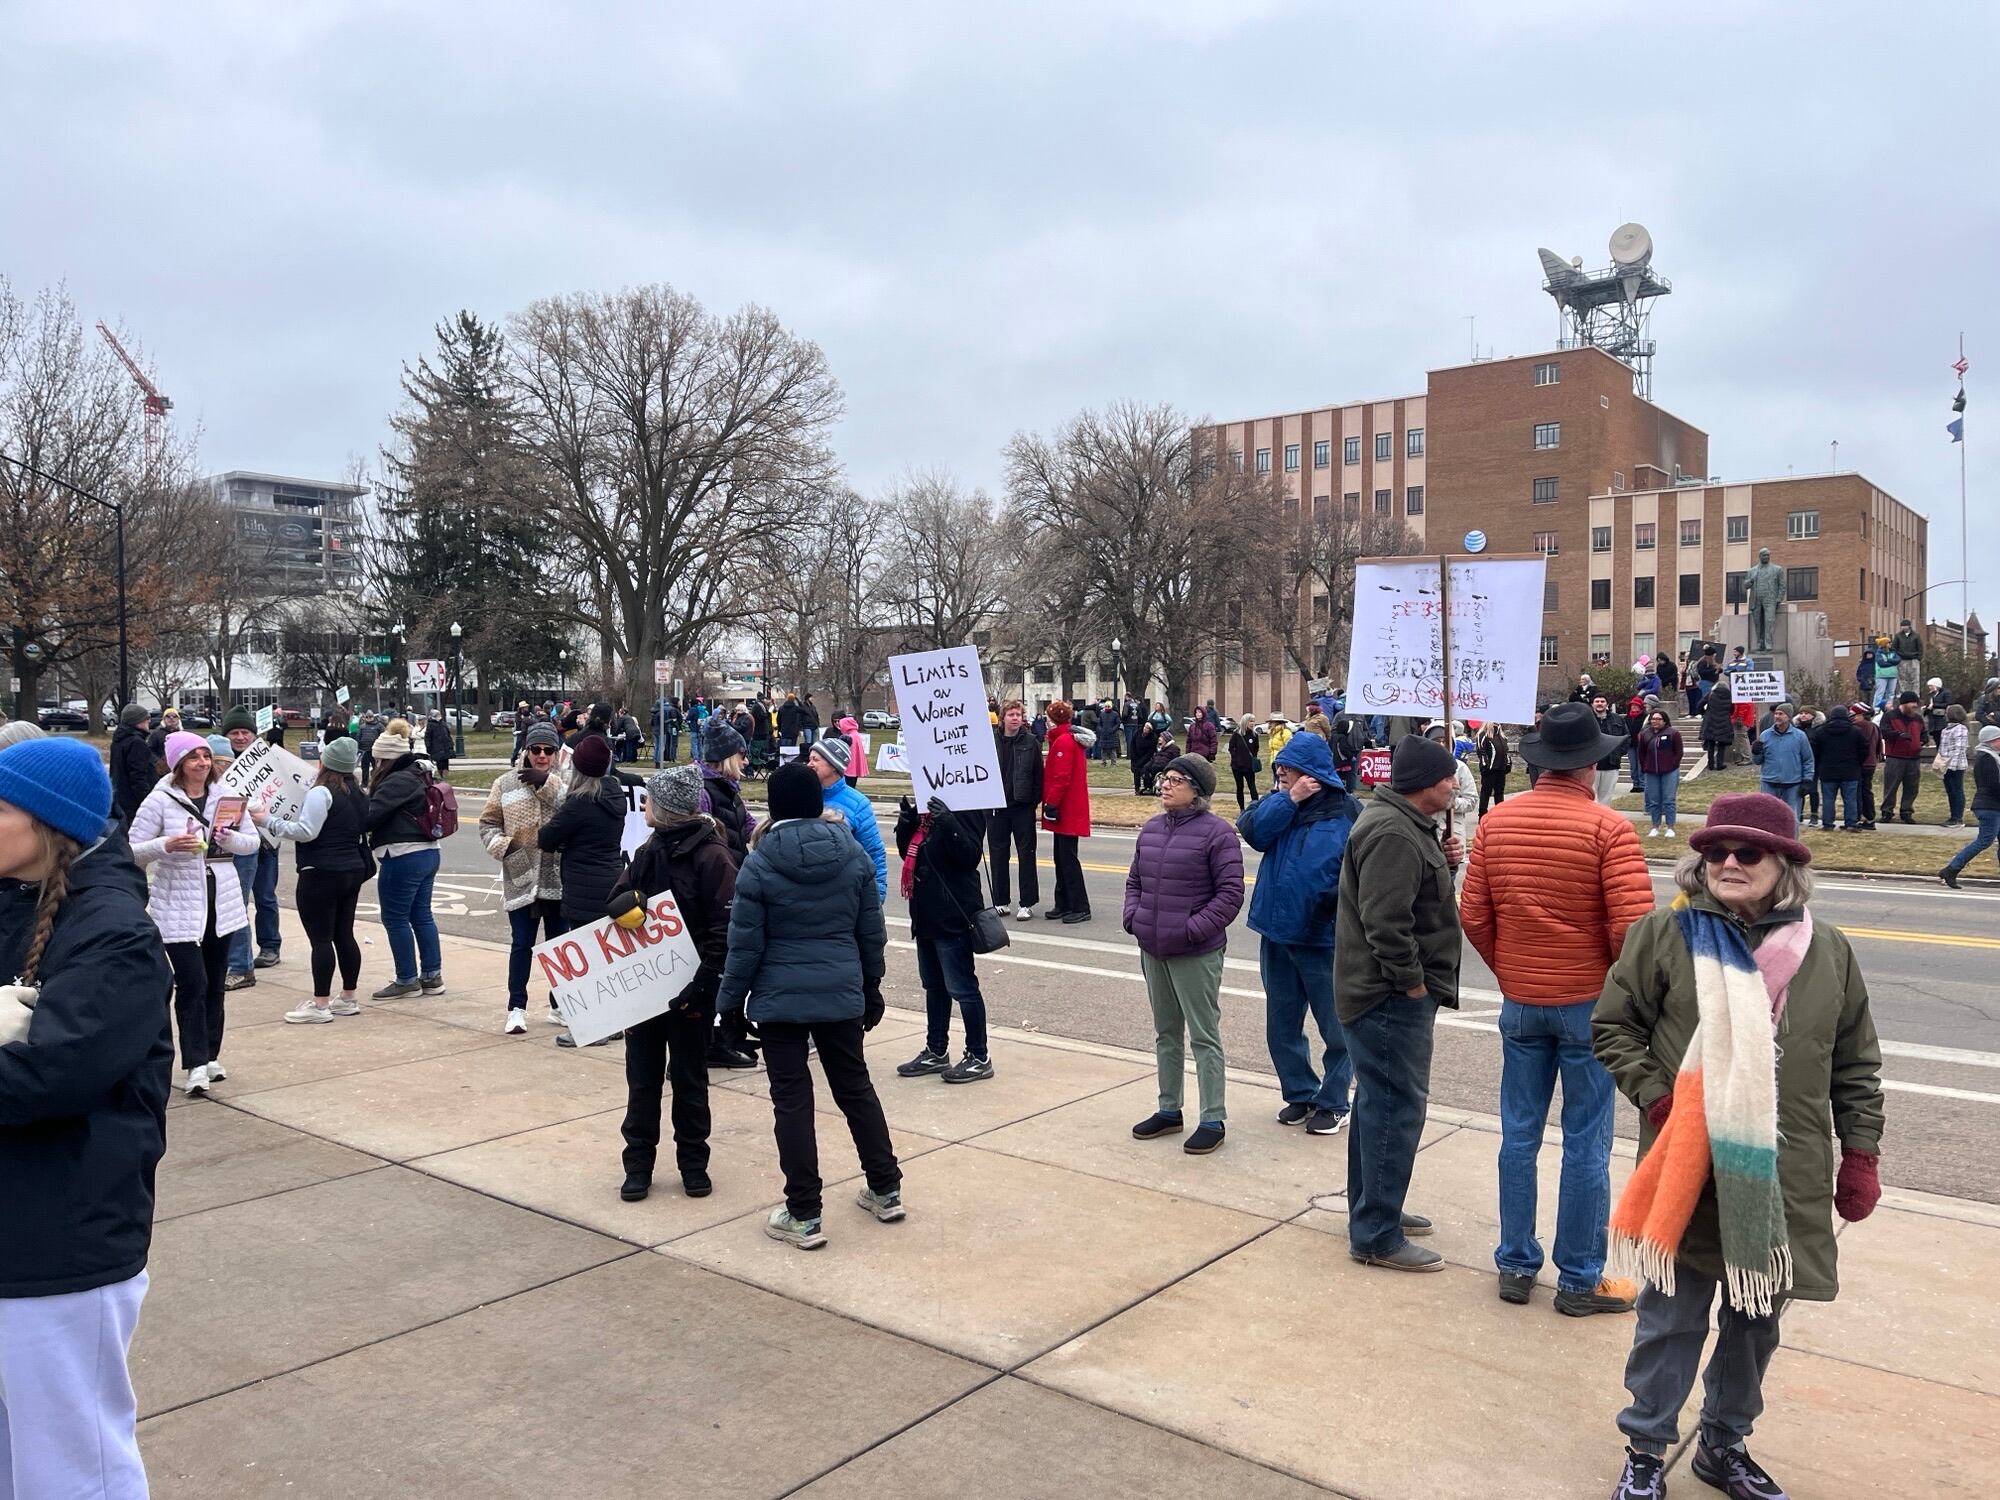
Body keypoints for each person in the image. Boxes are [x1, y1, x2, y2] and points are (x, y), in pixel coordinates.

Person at [1596, 793, 1884, 1500]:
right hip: (1688, 1166)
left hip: (1783, 1175)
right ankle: (1646, 1449)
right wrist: (1658, 1096)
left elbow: (1855, 1063)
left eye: (1747, 852)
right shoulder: (1665, 934)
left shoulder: (1827, 951)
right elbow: (1613, 1027)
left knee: (1755, 1321)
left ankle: (1723, 1444)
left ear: (1784, 865)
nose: (1727, 863)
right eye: (1715, 851)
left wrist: (1861, 1153)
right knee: (1670, 1319)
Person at [0, 736, 173, 1500]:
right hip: (17, 1231)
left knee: (74, 1469)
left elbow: (48, 1077)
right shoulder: (19, 902)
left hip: (65, 1241)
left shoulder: (115, 934)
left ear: (47, 824)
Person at [1462, 703, 1652, 1316]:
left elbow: (1474, 915)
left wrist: (1511, 970)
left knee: (1519, 1134)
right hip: (1588, 1004)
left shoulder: (1495, 822)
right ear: (1591, 765)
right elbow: (1632, 932)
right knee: (1586, 1142)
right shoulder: (1610, 829)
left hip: (1522, 1001)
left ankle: (1515, 1263)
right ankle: (1579, 1278)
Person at [721, 763, 902, 1250]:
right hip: (841, 989)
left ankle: (803, 1212)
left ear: (775, 806)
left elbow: (744, 946)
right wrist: (871, 985)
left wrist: (730, 1007)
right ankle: (885, 1187)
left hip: (779, 998)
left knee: (792, 1101)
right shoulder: (853, 854)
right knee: (856, 1089)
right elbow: (871, 932)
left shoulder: (759, 861)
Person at [1334, 736, 1465, 1272]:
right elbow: (1386, 924)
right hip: (1388, 997)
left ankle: (1375, 1207)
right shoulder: (1393, 832)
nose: (1455, 784)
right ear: (1425, 784)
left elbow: (1419, 899)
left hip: (1384, 994)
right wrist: (1412, 985)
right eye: (1449, 776)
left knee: (1377, 1107)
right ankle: (1376, 1235)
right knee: (1394, 1109)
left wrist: (1446, 864)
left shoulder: (1407, 826)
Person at [607, 764, 734, 1201]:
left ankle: (693, 1163)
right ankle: (638, 1165)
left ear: (666, 808)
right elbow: (618, 898)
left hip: (692, 993)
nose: (643, 805)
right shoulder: (649, 851)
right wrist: (625, 903)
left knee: (689, 1080)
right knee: (642, 1081)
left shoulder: (713, 857)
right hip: (647, 993)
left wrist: (703, 985)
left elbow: (724, 930)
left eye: (649, 800)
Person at [1237, 729, 1356, 1135]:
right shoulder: (1281, 803)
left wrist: (1331, 905)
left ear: (1313, 773)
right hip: (1276, 933)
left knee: (1336, 1028)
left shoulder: (1348, 812)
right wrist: (1289, 799)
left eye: (1289, 768)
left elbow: (1364, 869)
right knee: (1282, 1025)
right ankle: (1300, 1093)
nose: (1281, 773)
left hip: (1323, 937)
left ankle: (1334, 1102)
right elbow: (1253, 831)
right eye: (1280, 767)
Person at [129, 730, 261, 1095]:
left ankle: (211, 1055)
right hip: (178, 905)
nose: (202, 763)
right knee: (193, 984)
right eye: (193, 758)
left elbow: (251, 843)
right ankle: (195, 1063)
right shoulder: (159, 800)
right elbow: (132, 850)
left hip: (222, 901)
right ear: (178, 764)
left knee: (216, 983)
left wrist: (230, 839)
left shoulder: (227, 795)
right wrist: (167, 844)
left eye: (205, 757)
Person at [1125, 753, 1244, 1154]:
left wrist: (1192, 930)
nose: (1165, 785)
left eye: (1176, 780)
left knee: (1204, 1036)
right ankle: (1168, 1109)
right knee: (1166, 1033)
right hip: (1153, 947)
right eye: (1165, 777)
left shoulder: (1218, 834)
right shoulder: (1151, 829)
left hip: (1195, 952)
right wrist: (1134, 918)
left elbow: (1230, 894)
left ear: (1197, 791)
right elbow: (1135, 881)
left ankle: (1212, 1118)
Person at [256, 737, 372, 1023]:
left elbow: (307, 831)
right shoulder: (359, 794)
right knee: (344, 934)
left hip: (320, 870)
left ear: (324, 762)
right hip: (352, 868)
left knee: (321, 939)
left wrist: (267, 820)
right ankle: (348, 997)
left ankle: (320, 1004)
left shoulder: (322, 792)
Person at [536, 734, 628, 1050]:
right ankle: (614, 1022)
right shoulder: (614, 796)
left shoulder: (579, 802)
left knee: (587, 963)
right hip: (611, 881)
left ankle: (592, 1027)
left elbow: (547, 838)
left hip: (583, 886)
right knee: (606, 959)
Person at [894, 793, 993, 1084]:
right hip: (926, 912)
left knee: (962, 988)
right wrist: (906, 822)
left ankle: (978, 1055)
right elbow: (907, 853)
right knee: (934, 986)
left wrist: (949, 821)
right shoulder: (925, 814)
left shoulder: (967, 807)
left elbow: (969, 856)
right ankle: (936, 1050)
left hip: (953, 912)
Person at [479, 722, 568, 1034]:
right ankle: (516, 1008)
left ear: (556, 752)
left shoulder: (567, 780)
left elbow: (575, 810)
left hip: (557, 876)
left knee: (560, 945)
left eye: (548, 750)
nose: (542, 755)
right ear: (526, 750)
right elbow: (488, 823)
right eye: (536, 749)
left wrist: (548, 783)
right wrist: (507, 848)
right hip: (521, 875)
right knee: (521, 944)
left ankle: (560, 1005)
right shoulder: (505, 784)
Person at [365, 718, 446, 1000]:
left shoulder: (396, 780)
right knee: (421, 915)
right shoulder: (418, 774)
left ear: (385, 758)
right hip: (428, 851)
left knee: (395, 918)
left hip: (402, 854)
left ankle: (407, 979)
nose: (375, 764)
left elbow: (370, 816)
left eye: (377, 759)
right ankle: (432, 976)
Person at [807, 732, 889, 902]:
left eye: (816, 760)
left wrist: (877, 897)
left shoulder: (858, 804)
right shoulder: (802, 794)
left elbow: (873, 852)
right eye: (809, 759)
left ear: (833, 765)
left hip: (843, 896)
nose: (809, 764)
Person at [987, 700, 1043, 920]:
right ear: (1003, 718)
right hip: (996, 808)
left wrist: (1031, 803)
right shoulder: (991, 741)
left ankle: (1027, 903)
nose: (1015, 718)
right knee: (998, 855)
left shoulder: (1031, 742)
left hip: (1022, 807)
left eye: (1018, 715)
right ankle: (1001, 901)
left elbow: (1038, 776)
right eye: (1011, 714)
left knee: (1026, 855)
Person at [1040, 698, 1093, 923]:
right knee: (1061, 858)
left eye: (1048, 718)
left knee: (1067, 860)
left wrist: (1051, 804)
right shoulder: (1065, 739)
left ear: (1053, 719)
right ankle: (1063, 902)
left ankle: (1080, 905)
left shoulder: (1063, 742)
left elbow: (1061, 777)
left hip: (1067, 809)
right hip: (1067, 808)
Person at [1939, 725, 2000, 887]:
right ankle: (1951, 869)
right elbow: (1992, 785)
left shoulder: (1992, 756)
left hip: (1993, 804)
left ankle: (1951, 870)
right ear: (1991, 741)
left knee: (1986, 840)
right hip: (1989, 806)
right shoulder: (1987, 758)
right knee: (1984, 840)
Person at [697, 719, 753, 862]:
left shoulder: (729, 788)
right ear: (729, 758)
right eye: (743, 755)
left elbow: (750, 828)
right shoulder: (702, 794)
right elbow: (700, 845)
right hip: (718, 871)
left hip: (734, 867)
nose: (746, 762)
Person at [1807, 704, 1866, 831]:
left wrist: (1820, 764)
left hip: (1827, 770)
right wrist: (1857, 763)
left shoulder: (1821, 732)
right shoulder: (1856, 731)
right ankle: (1851, 823)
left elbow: (1814, 751)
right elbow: (1863, 750)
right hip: (1850, 771)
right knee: (1850, 799)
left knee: (1828, 799)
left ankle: (1828, 823)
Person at [1752, 703, 1815, 819]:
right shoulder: (1765, 735)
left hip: (1793, 784)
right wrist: (1756, 752)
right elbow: (1758, 761)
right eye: (1776, 714)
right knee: (1768, 817)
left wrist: (1807, 779)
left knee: (1791, 818)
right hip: (1769, 783)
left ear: (1788, 716)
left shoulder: (1800, 736)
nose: (1777, 716)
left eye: (1781, 714)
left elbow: (1808, 760)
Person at [1634, 709, 1684, 838]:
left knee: (1669, 800)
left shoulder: (1673, 733)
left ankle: (1670, 827)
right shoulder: (1645, 734)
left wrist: (1673, 764)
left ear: (1664, 721)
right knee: (1654, 800)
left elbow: (1678, 752)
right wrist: (1645, 766)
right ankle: (1655, 826)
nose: (1655, 721)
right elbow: (1641, 753)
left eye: (1659, 719)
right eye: (1653, 719)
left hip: (1669, 771)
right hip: (1651, 771)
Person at [1878, 691, 1926, 824]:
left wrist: (1921, 742)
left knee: (1912, 787)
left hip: (1914, 758)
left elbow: (1924, 734)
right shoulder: (1889, 716)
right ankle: (1887, 811)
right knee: (1891, 786)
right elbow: (1884, 732)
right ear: (1904, 704)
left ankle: (1906, 811)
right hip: (1895, 757)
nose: (1915, 706)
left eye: (1916, 703)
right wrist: (1898, 735)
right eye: (1912, 703)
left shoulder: (1918, 718)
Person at [108, 702, 154, 827]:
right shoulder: (137, 743)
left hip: (120, 798)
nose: (149, 721)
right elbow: (138, 777)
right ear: (138, 721)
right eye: (146, 718)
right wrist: (148, 802)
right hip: (134, 802)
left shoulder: (118, 740)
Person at [1589, 693, 1627, 804]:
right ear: (1592, 704)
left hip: (1611, 765)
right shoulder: (1587, 720)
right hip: (1591, 766)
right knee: (1592, 798)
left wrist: (1619, 752)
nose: (1599, 704)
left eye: (1602, 701)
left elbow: (1626, 737)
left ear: (1607, 704)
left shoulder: (1618, 719)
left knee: (1606, 798)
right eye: (1597, 701)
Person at [1939, 704, 1970, 828]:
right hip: (1945, 765)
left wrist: (1951, 766)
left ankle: (1957, 818)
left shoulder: (1961, 729)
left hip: (1956, 766)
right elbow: (1942, 748)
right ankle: (1953, 816)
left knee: (1957, 791)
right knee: (1951, 791)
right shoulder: (1945, 730)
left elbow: (1959, 749)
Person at [1475, 721, 1512, 815]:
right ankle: (1482, 814)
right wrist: (1485, 766)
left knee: (1499, 792)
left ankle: (1500, 814)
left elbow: (1506, 751)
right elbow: (1481, 751)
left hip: (1501, 769)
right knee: (1486, 792)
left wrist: (1508, 763)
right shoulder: (1483, 734)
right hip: (1490, 769)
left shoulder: (1502, 736)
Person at [1699, 680, 1736, 773]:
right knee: (1722, 744)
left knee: (1710, 742)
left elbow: (1700, 704)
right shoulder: (1730, 696)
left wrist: (1704, 713)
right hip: (1724, 721)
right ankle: (1720, 764)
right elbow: (1732, 709)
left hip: (1710, 721)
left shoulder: (1711, 694)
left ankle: (1710, 764)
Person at [1226, 718, 1260, 809]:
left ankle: (1255, 807)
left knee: (1252, 786)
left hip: (1249, 766)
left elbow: (1256, 748)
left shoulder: (1254, 735)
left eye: (1253, 721)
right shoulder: (1237, 734)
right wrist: (1236, 758)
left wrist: (1252, 758)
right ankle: (1242, 808)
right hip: (1237, 766)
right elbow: (1231, 747)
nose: (1252, 723)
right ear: (1245, 722)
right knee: (1240, 787)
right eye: (1250, 721)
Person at [1893, 617, 1925, 700]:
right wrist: (1897, 658)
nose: (1904, 627)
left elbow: (1920, 647)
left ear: (1909, 626)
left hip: (1913, 659)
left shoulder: (1916, 636)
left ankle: (1915, 695)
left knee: (1914, 678)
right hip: (1902, 660)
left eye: (1905, 626)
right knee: (1902, 678)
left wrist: (1919, 658)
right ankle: (1903, 695)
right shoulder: (1898, 636)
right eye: (1902, 626)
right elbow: (1894, 648)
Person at [833, 713, 868, 788]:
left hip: (850, 766)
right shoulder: (855, 734)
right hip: (854, 765)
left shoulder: (851, 736)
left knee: (848, 785)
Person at [1129, 715, 1159, 796]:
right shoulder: (1138, 732)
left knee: (1144, 770)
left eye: (1148, 728)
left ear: (1151, 730)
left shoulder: (1153, 738)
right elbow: (1132, 744)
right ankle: (1137, 788)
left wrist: (1141, 761)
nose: (1145, 729)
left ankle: (1147, 787)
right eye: (1145, 726)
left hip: (1145, 758)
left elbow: (1150, 753)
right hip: (1136, 756)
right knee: (1135, 771)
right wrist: (1133, 756)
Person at [1871, 634, 1900, 711]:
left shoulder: (1893, 652)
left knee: (1891, 693)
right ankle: (1876, 708)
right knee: (1880, 692)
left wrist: (1889, 660)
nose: (1891, 644)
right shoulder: (1878, 654)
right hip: (1881, 676)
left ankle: (1889, 707)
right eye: (1889, 642)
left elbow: (1898, 660)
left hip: (1893, 675)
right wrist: (1892, 663)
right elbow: (1882, 663)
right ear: (1884, 644)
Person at [424, 707, 454, 774]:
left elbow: (448, 733)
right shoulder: (431, 725)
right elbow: (428, 737)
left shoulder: (443, 723)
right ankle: (441, 773)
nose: (439, 716)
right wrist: (428, 746)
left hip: (445, 746)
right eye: (438, 715)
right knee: (439, 761)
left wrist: (450, 743)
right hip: (436, 747)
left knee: (445, 761)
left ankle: (445, 773)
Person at [1924, 676, 1952, 746]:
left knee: (1942, 741)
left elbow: (1948, 704)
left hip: (1941, 721)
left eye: (1931, 686)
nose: (1930, 687)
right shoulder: (1930, 695)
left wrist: (1934, 705)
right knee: (1936, 740)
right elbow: (1928, 704)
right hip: (1933, 722)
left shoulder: (1946, 693)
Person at [776, 691, 804, 756]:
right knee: (792, 750)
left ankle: (783, 760)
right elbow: (804, 710)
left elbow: (778, 720)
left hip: (784, 731)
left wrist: (780, 729)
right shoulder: (795, 708)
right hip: (793, 731)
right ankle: (791, 760)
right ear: (794, 699)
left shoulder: (781, 708)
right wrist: (798, 701)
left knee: (783, 749)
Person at [658, 696, 683, 765]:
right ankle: (672, 758)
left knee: (669, 742)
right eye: (679, 702)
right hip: (673, 728)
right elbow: (674, 720)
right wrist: (678, 728)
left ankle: (669, 757)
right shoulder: (673, 709)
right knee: (673, 743)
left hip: (670, 727)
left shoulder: (673, 708)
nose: (679, 703)